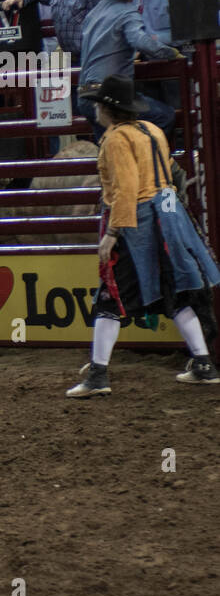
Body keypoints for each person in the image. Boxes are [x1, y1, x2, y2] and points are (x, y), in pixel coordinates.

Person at [64, 75, 220, 396]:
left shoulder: (116, 139)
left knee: (111, 293)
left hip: (138, 223)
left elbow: (126, 190)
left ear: (107, 110)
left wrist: (111, 233)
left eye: (98, 105)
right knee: (174, 290)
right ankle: (203, 364)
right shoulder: (153, 131)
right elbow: (172, 176)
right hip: (170, 216)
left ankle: (97, 375)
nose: (95, 110)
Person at [72, 0, 182, 140]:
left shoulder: (93, 14)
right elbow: (140, 41)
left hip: (85, 95)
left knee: (109, 146)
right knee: (164, 116)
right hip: (109, 96)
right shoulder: (127, 12)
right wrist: (171, 53)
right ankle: (153, 164)